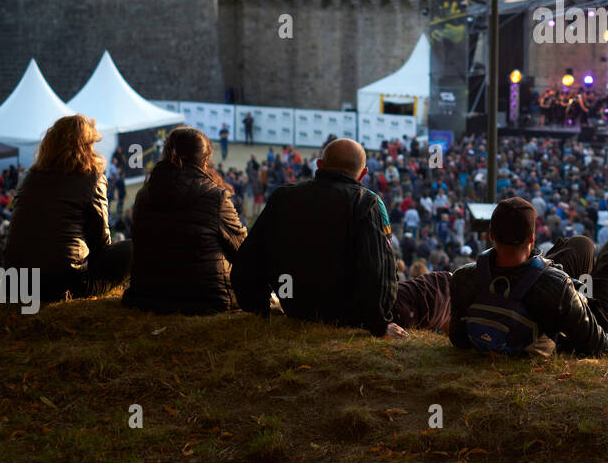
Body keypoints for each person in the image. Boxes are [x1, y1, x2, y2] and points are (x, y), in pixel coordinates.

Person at [232, 138, 400, 335]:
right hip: (347, 316)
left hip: (294, 307)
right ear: (363, 175)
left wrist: (259, 308)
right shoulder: (366, 203)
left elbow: (247, 261)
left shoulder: (282, 197)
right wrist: (379, 323)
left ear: (319, 165)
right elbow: (378, 273)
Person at [449, 198, 608, 357]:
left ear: (491, 235)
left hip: (544, 301)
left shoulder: (463, 277)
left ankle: (589, 287)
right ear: (532, 238)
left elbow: (459, 338)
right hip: (575, 331)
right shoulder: (556, 286)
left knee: (582, 244)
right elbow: (596, 344)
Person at [3, 114, 133, 303]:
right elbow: (101, 245)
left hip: (15, 283)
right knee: (133, 248)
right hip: (63, 285)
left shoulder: (28, 177)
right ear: (86, 146)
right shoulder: (92, 179)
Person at [122, 127, 248, 315]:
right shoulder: (216, 197)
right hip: (206, 299)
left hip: (147, 295)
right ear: (205, 160)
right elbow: (244, 252)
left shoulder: (143, 195)